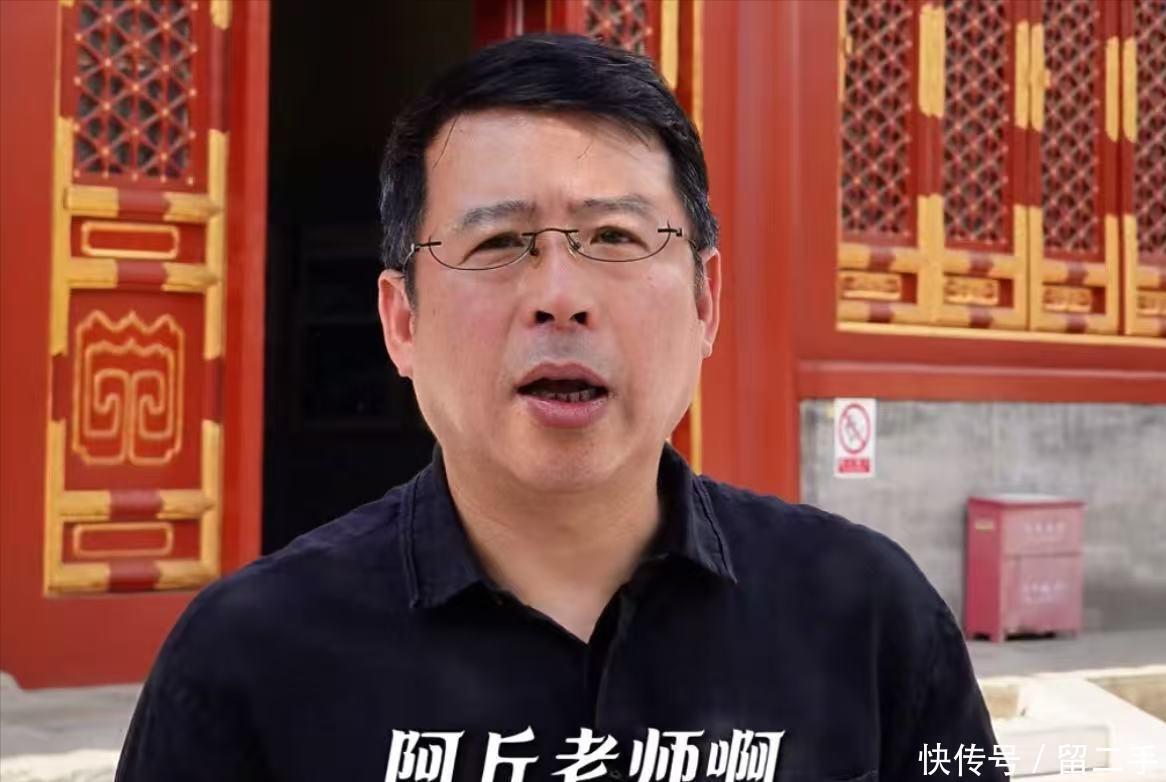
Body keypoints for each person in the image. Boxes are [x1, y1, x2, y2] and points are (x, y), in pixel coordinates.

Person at [117, 33, 1003, 782]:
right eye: (498, 242)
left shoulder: (871, 619)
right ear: (401, 322)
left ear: (706, 301)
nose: (560, 298)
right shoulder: (247, 661)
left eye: (615, 237)